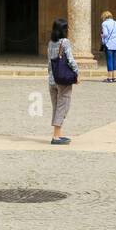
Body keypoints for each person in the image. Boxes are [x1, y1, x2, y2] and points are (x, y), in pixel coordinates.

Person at [47, 17, 78, 145]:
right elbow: (70, 60)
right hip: (63, 79)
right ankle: (56, 136)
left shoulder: (50, 43)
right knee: (63, 106)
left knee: (56, 106)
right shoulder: (65, 42)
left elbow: (49, 62)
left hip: (52, 79)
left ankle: (58, 134)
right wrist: (76, 73)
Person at [100, 10, 116, 82]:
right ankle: (114, 77)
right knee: (114, 60)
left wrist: (102, 35)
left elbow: (105, 34)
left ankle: (109, 78)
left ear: (104, 17)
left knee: (109, 60)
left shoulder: (104, 23)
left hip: (109, 44)